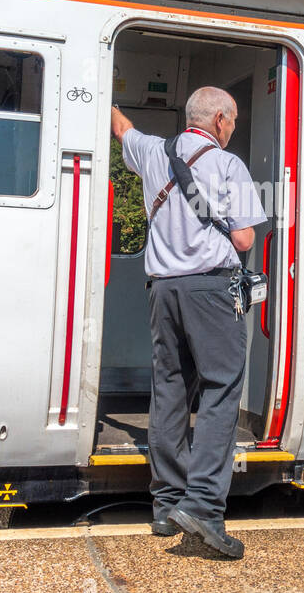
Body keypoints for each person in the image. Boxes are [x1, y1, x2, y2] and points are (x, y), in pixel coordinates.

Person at [111, 86, 267, 559]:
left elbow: (123, 128)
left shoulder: (153, 151)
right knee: (222, 389)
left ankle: (167, 504)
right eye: (234, 120)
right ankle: (202, 506)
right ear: (219, 119)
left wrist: (109, 97)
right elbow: (241, 239)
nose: (234, 127)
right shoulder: (229, 165)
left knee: (170, 389)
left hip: (163, 290)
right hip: (209, 290)